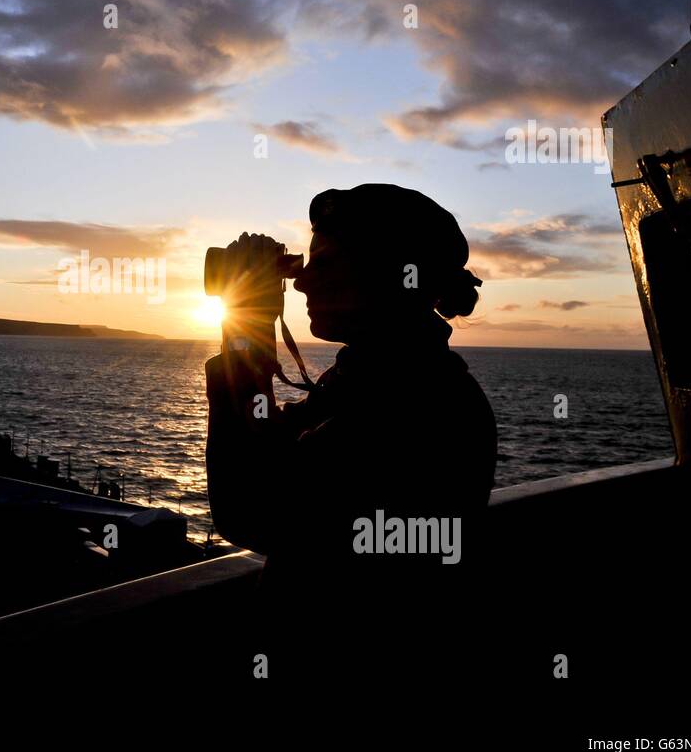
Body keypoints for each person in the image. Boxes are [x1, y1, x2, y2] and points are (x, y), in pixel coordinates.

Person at [205, 184, 497, 679]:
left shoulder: (418, 403)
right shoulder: (372, 376)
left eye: (326, 262)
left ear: (390, 276)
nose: (301, 283)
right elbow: (275, 445)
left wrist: (245, 332)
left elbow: (249, 509)